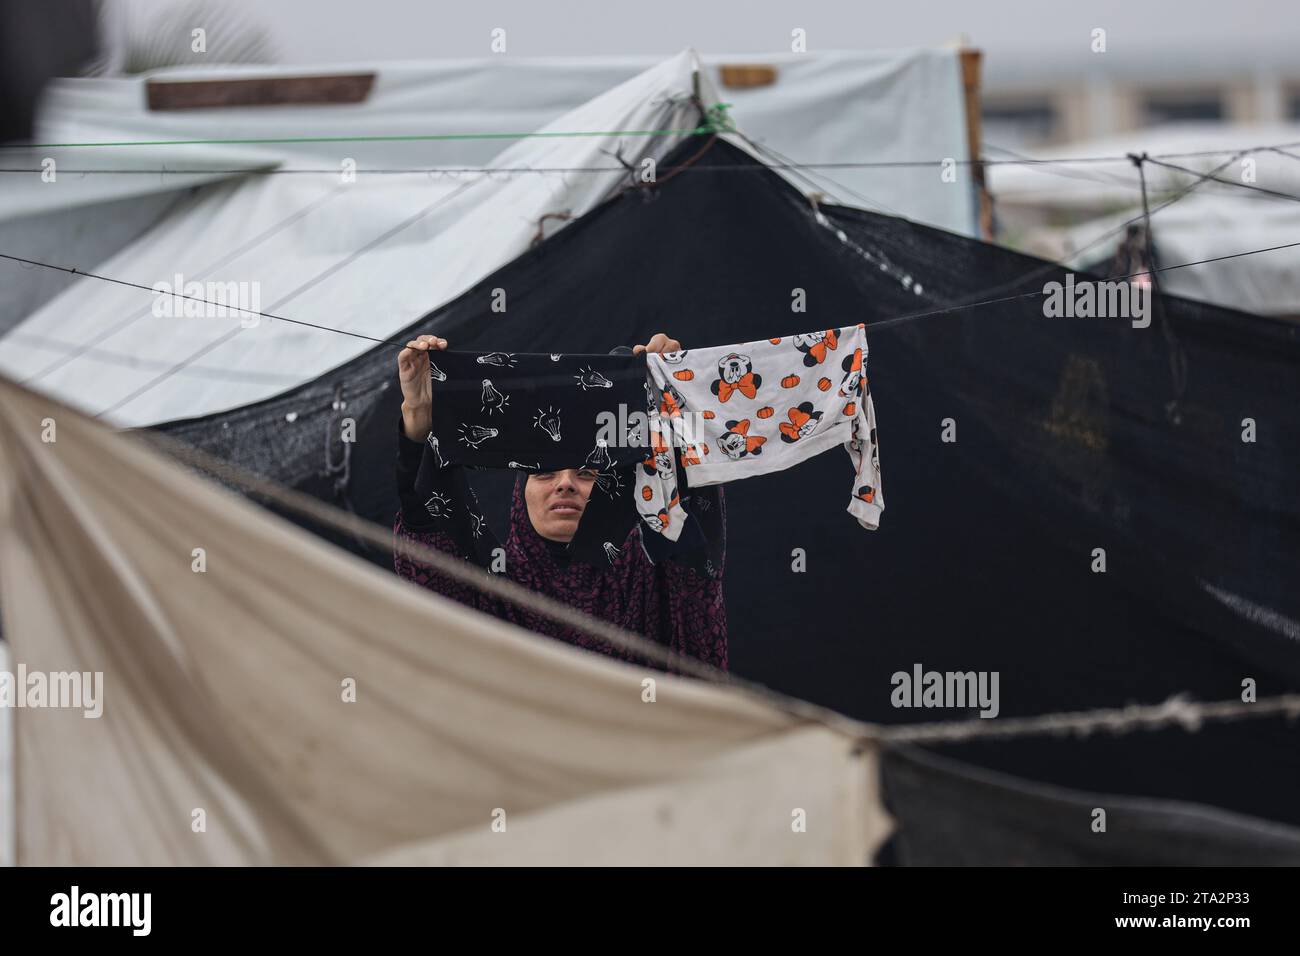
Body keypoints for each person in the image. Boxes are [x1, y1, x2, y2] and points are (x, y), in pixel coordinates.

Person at [393, 332, 728, 671]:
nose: (565, 483)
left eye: (586, 474)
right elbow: (429, 547)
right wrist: (419, 417)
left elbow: (692, 530)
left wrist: (675, 397)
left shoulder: (652, 578)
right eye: (544, 473)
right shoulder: (492, 591)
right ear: (520, 493)